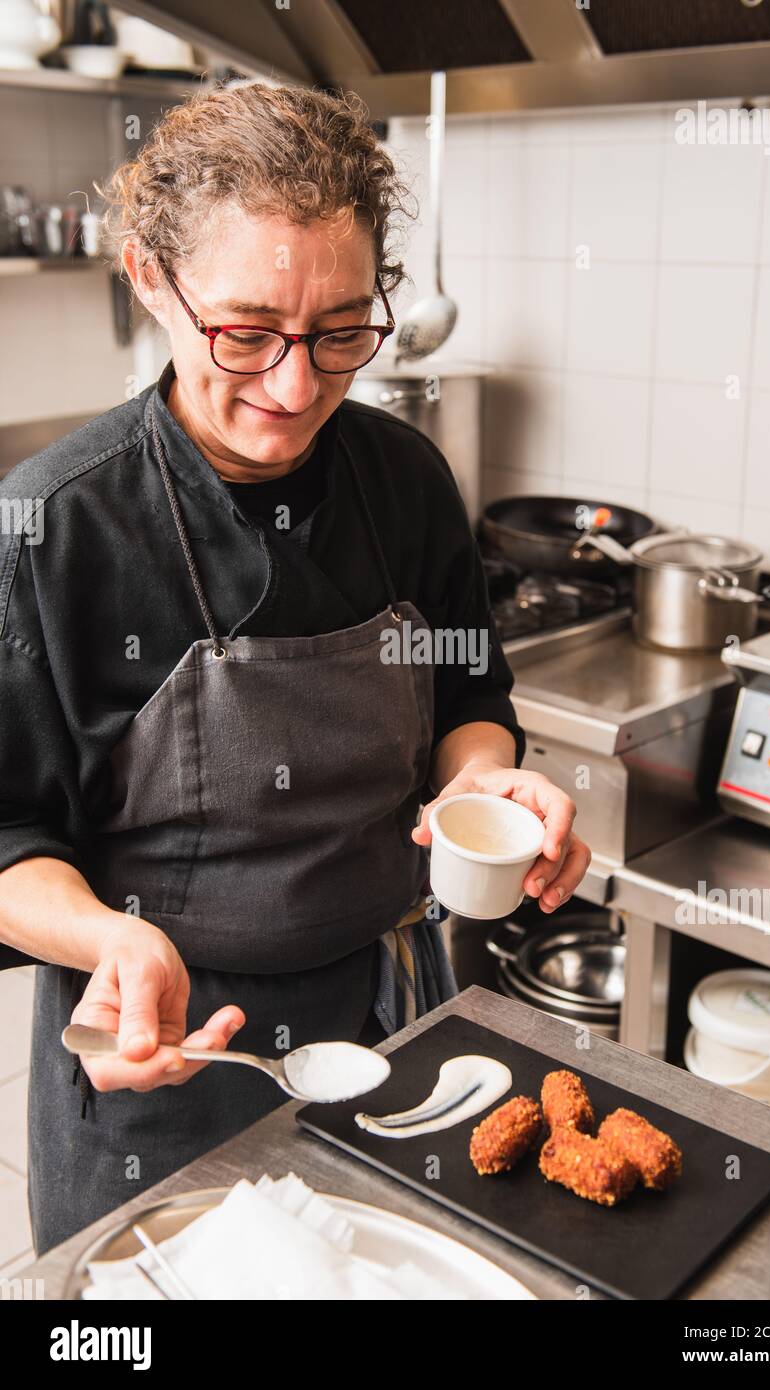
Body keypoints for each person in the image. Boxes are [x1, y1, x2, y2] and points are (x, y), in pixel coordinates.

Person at [0, 83, 590, 1254]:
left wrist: (483, 784)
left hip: (397, 1041)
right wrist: (109, 940)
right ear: (150, 284)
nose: (293, 386)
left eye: (339, 333)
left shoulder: (407, 478)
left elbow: (469, 700)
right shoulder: (56, 526)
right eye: (248, 331)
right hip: (167, 1067)